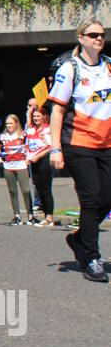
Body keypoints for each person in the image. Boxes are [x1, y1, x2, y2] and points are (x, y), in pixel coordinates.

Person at [48, 16, 111, 282]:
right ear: (81, 39)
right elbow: (57, 111)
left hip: (106, 143)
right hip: (78, 144)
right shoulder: (69, 68)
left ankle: (78, 240)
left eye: (102, 35)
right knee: (91, 199)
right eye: (93, 35)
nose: (99, 39)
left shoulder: (109, 67)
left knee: (107, 200)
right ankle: (91, 258)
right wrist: (55, 149)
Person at [0, 115, 34, 225]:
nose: (9, 126)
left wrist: (28, 158)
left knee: (26, 190)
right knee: (12, 191)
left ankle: (30, 215)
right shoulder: (3, 136)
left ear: (16, 123)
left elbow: (29, 146)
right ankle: (17, 215)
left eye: (11, 123)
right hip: (8, 166)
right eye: (7, 124)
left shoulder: (23, 135)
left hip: (21, 165)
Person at [25, 105, 54, 227]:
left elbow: (50, 147)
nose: (36, 118)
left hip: (44, 161)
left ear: (44, 117)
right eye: (34, 116)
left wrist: (38, 156)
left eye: (38, 116)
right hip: (33, 161)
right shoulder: (31, 129)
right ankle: (44, 216)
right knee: (38, 189)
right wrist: (28, 157)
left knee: (46, 189)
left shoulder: (48, 129)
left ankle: (49, 217)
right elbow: (28, 144)